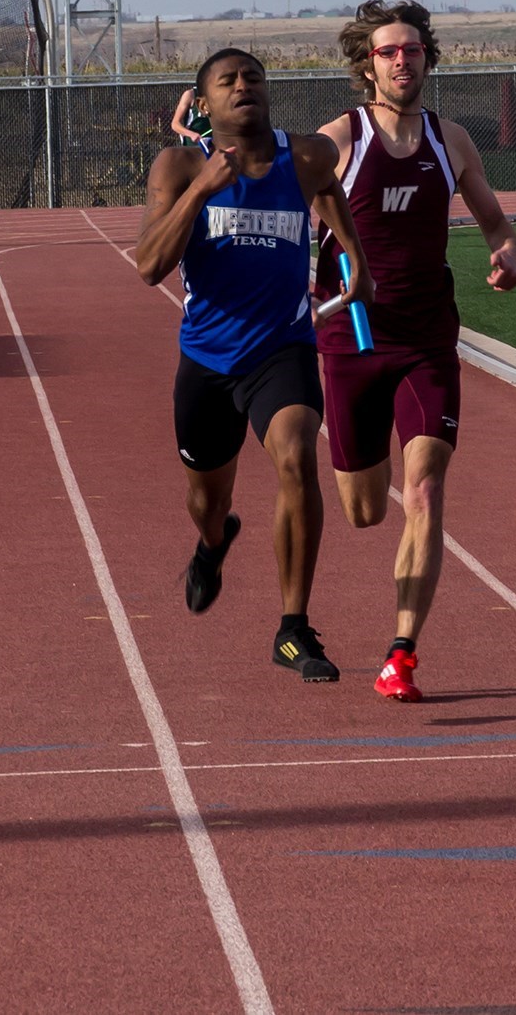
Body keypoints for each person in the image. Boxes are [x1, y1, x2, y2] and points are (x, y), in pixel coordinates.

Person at [136, 48, 373, 682]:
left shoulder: (308, 157)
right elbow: (148, 265)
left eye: (254, 78)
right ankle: (213, 543)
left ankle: (292, 628)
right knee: (207, 502)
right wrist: (202, 193)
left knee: (297, 457)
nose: (244, 87)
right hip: (208, 359)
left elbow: (326, 193)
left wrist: (355, 260)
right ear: (202, 102)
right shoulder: (180, 165)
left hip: (282, 348)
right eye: (227, 81)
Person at [314, 0, 516, 703]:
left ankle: (401, 652)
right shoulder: (338, 140)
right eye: (388, 52)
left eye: (413, 50)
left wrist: (506, 253)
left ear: (428, 58)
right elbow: (286, 222)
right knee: (365, 509)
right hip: (352, 340)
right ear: (365, 65)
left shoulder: (451, 140)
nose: (403, 62)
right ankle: (397, 634)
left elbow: (496, 222)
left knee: (427, 488)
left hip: (427, 340)